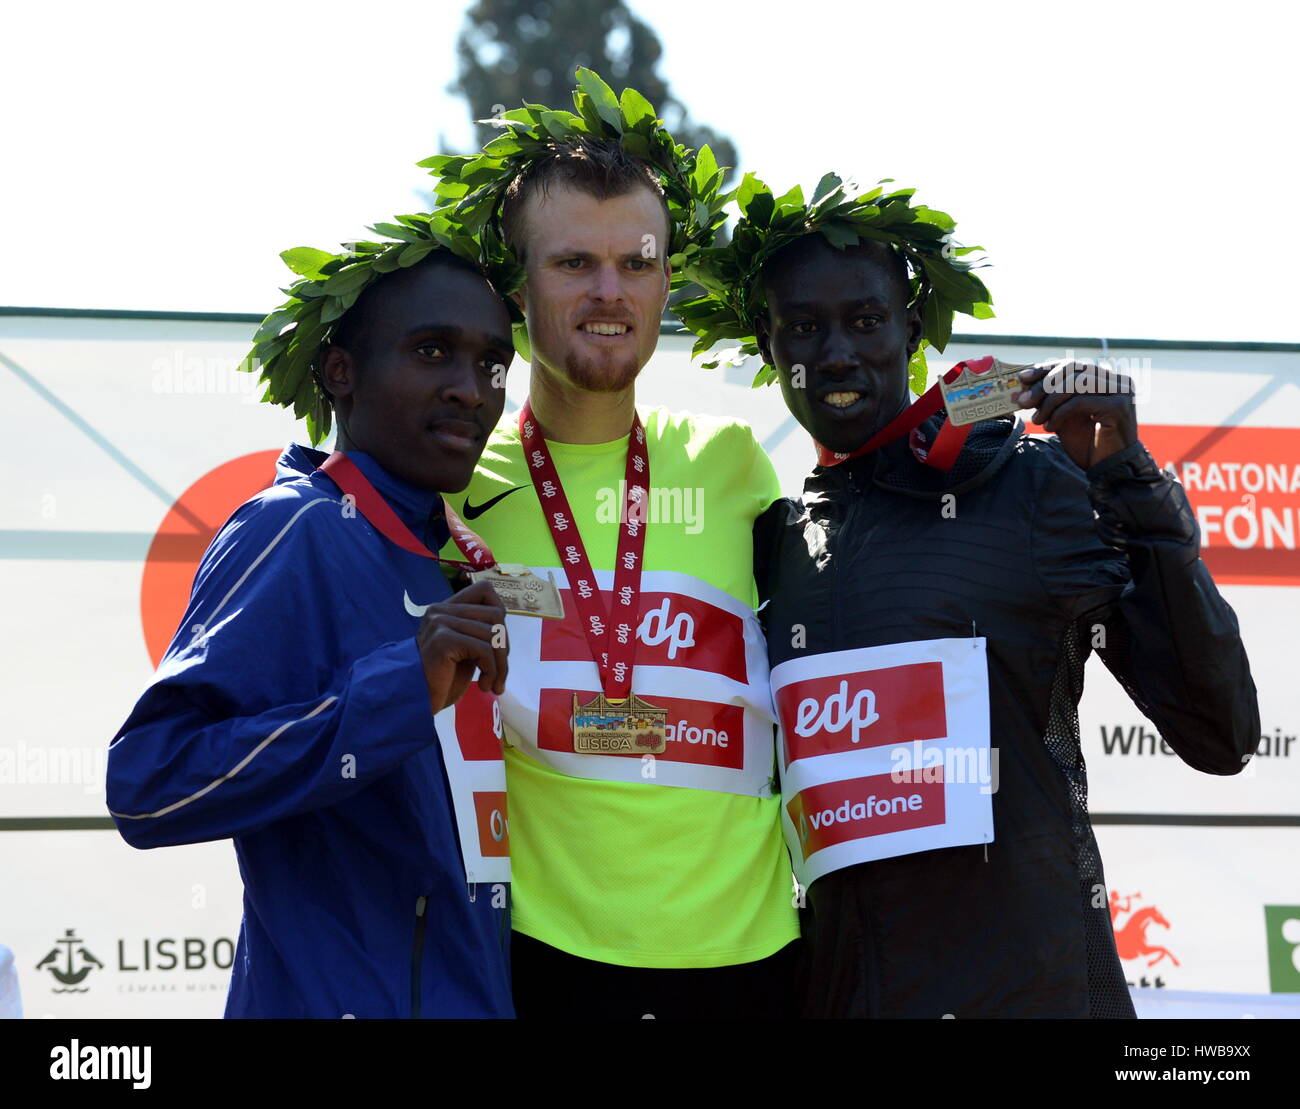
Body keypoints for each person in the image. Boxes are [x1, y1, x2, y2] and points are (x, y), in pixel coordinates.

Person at [684, 176, 1260, 1018]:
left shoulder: (1027, 484)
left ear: (911, 329)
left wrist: (1130, 485)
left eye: (866, 321)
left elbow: (1223, 733)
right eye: (803, 328)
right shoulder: (772, 546)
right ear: (768, 348)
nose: (838, 353)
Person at [429, 81, 799, 1018]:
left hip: (750, 957)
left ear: (668, 281)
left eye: (636, 263)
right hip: (540, 956)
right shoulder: (455, 483)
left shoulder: (732, 463)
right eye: (572, 264)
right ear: (518, 287)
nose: (608, 292)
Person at [106, 241, 520, 1018]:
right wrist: (400, 689)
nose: (471, 389)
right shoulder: (294, 527)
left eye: (493, 362)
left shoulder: (448, 552)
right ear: (340, 374)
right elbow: (148, 784)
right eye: (432, 350)